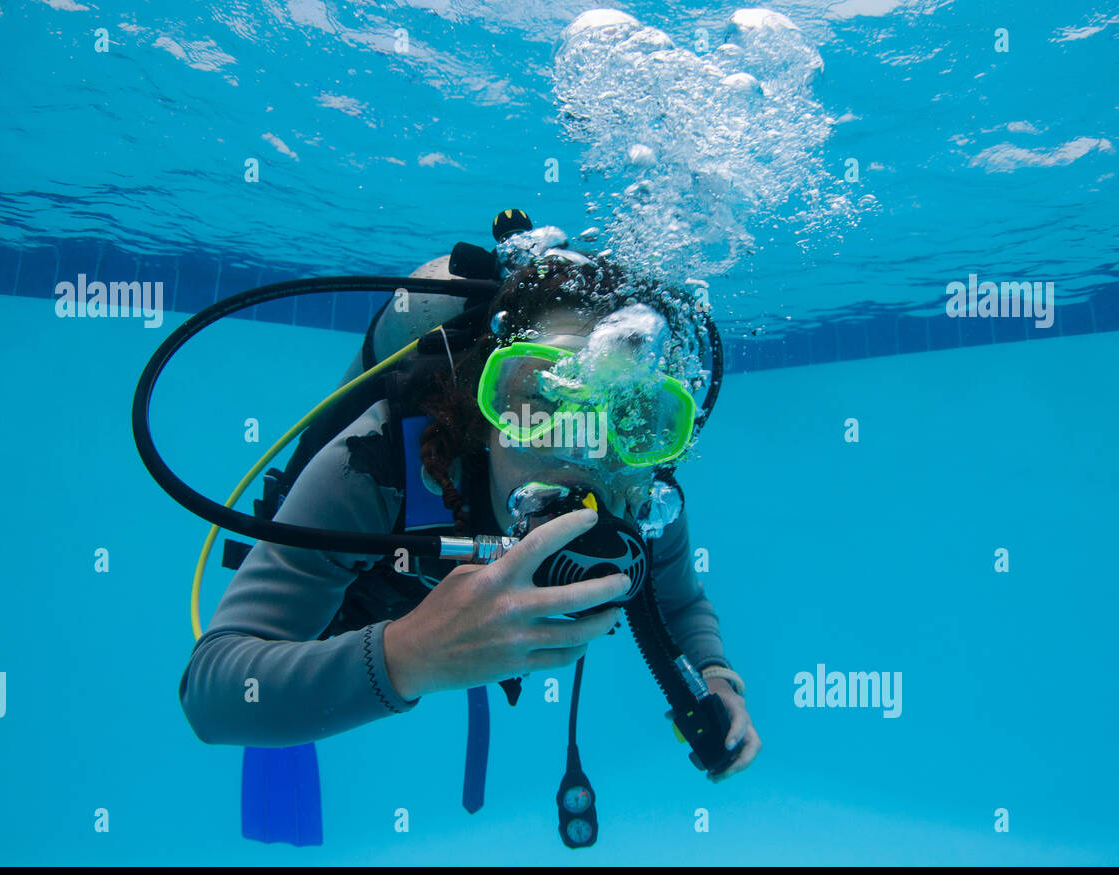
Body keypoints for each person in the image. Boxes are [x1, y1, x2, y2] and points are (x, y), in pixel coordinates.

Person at [177, 251, 762, 793]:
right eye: (540, 402)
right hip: (372, 600)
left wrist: (716, 677)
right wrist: (406, 656)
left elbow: (679, 602)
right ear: (483, 415)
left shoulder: (644, 492)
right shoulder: (380, 465)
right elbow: (212, 693)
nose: (585, 453)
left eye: (633, 416)